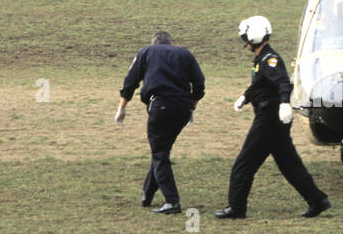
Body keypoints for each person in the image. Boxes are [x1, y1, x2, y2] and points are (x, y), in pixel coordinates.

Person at [215, 15, 331, 219]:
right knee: (289, 165)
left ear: (253, 37)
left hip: (269, 119)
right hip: (272, 119)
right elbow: (260, 83)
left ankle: (236, 208)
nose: (244, 43)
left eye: (245, 38)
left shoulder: (270, 59)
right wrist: (246, 96)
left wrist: (285, 103)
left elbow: (283, 83)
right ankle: (317, 200)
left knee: (244, 163)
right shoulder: (262, 58)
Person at [115, 30, 205, 214]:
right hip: (182, 107)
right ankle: (147, 194)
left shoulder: (146, 52)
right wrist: (192, 107)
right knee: (161, 150)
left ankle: (172, 201)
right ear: (171, 42)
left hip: (160, 107)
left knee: (159, 154)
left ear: (153, 43)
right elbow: (200, 83)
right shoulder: (185, 54)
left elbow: (130, 81)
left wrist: (121, 108)